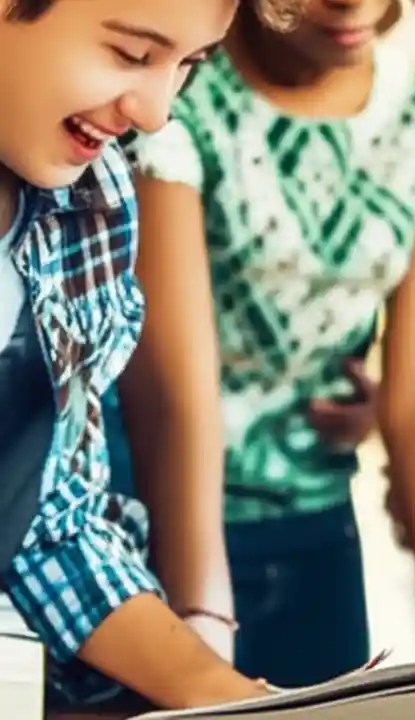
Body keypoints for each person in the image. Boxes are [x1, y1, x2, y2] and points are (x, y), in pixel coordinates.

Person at [118, 0, 415, 687]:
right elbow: (176, 394)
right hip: (163, 534)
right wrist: (202, 618)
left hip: (322, 531)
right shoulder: (182, 93)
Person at [0, 0, 303, 710]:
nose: (156, 112)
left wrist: (220, 692)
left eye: (189, 66)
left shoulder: (88, 206)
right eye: (134, 55)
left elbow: (53, 527)